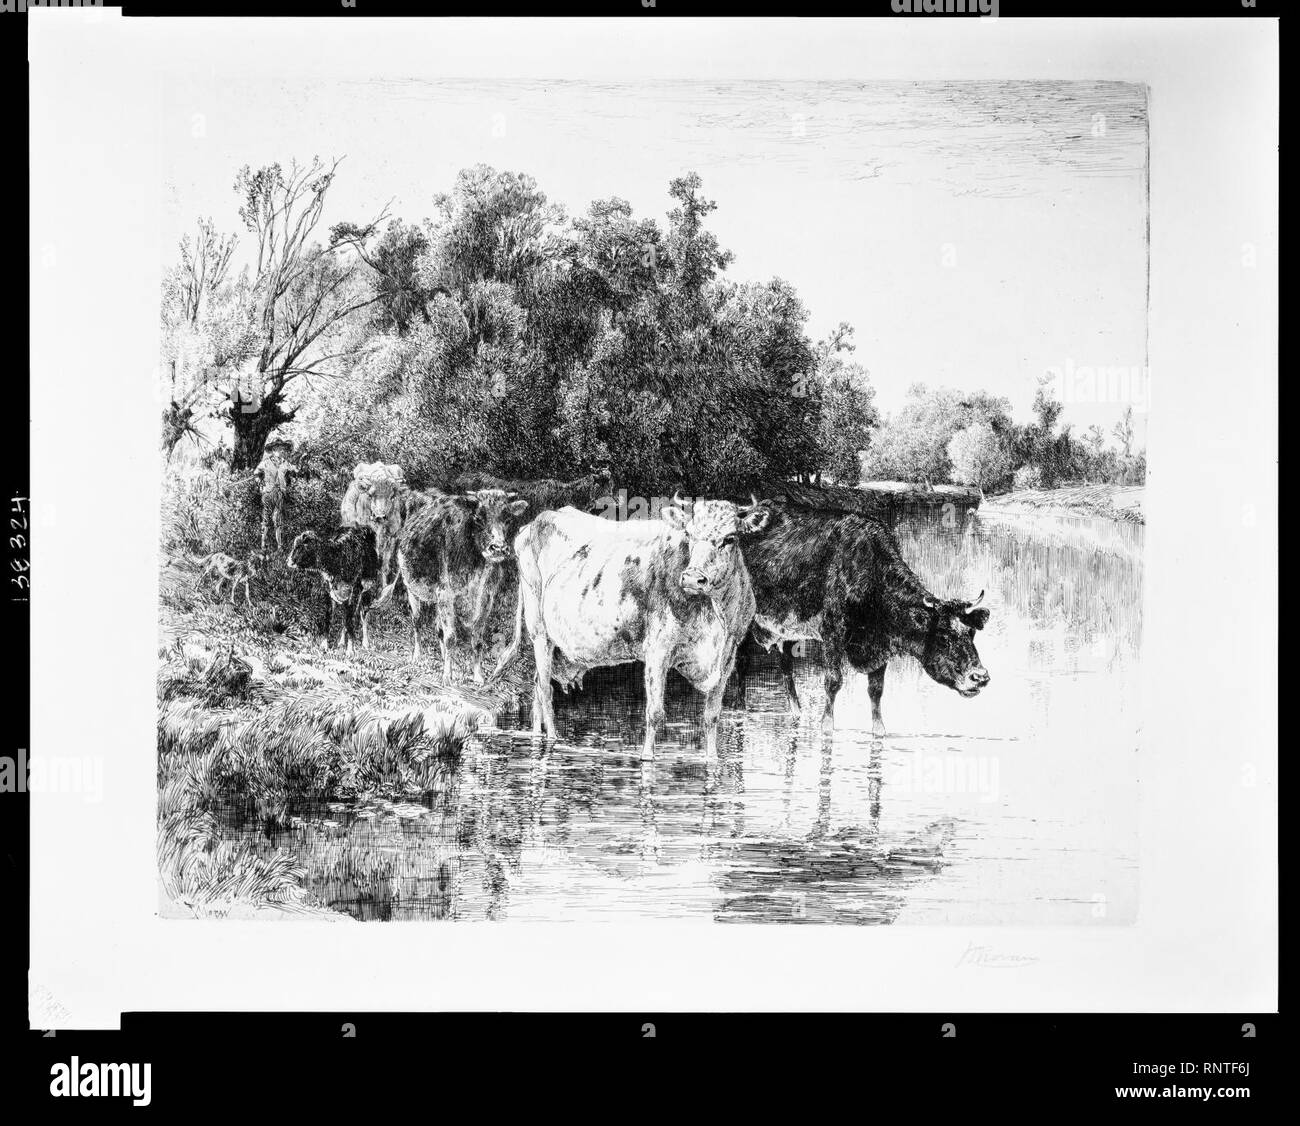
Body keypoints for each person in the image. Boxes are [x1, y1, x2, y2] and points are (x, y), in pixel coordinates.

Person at [254, 440, 297, 551]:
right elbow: (256, 473)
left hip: (280, 494)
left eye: (281, 448)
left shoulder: (285, 463)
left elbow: (295, 469)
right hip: (268, 493)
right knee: (266, 519)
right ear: (273, 450)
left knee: (278, 520)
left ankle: (280, 547)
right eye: (278, 448)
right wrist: (259, 480)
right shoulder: (266, 462)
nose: (280, 450)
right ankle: (263, 545)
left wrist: (296, 469)